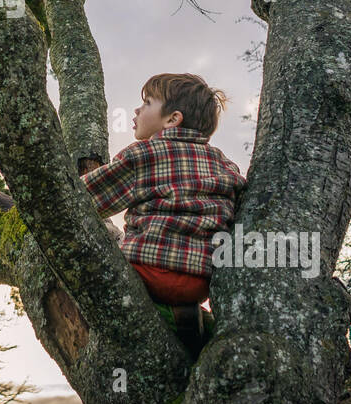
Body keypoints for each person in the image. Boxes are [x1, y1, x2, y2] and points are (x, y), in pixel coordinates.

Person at [82, 73, 246, 348]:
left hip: (149, 269)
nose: (136, 109)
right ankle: (188, 317)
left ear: (173, 119)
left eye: (146, 103)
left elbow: (82, 199)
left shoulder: (144, 154)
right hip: (200, 281)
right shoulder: (223, 163)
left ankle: (166, 319)